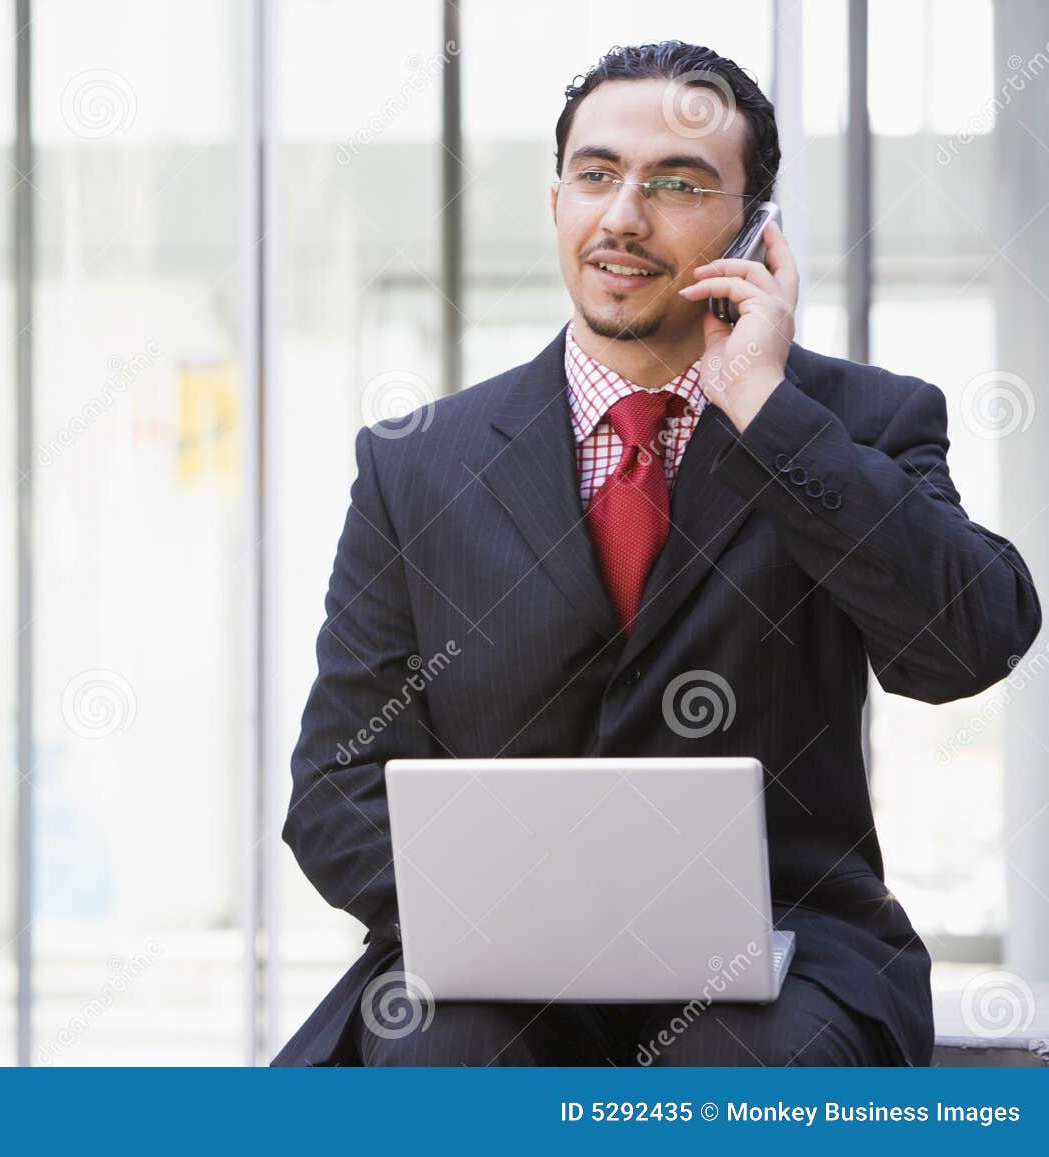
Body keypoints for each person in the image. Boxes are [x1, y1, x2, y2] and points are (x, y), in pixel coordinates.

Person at [274, 40, 1042, 1067]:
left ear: (756, 229)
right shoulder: (417, 463)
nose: (624, 217)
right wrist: (520, 915)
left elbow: (966, 642)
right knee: (444, 1056)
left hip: (786, 951)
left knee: (747, 1069)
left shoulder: (855, 421)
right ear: (556, 200)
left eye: (677, 185)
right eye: (596, 175)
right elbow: (335, 785)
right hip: (490, 956)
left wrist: (764, 406)